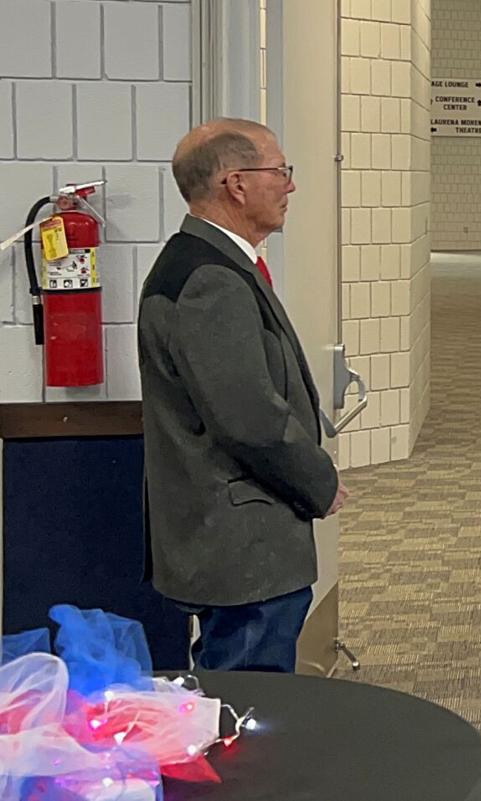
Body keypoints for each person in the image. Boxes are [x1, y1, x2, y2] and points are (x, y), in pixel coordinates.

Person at [138, 118, 345, 673]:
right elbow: (249, 419)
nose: (290, 186)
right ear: (236, 184)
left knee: (236, 693)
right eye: (280, 172)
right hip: (242, 543)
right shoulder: (211, 279)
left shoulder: (208, 262)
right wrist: (318, 480)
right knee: (247, 700)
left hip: (231, 534)